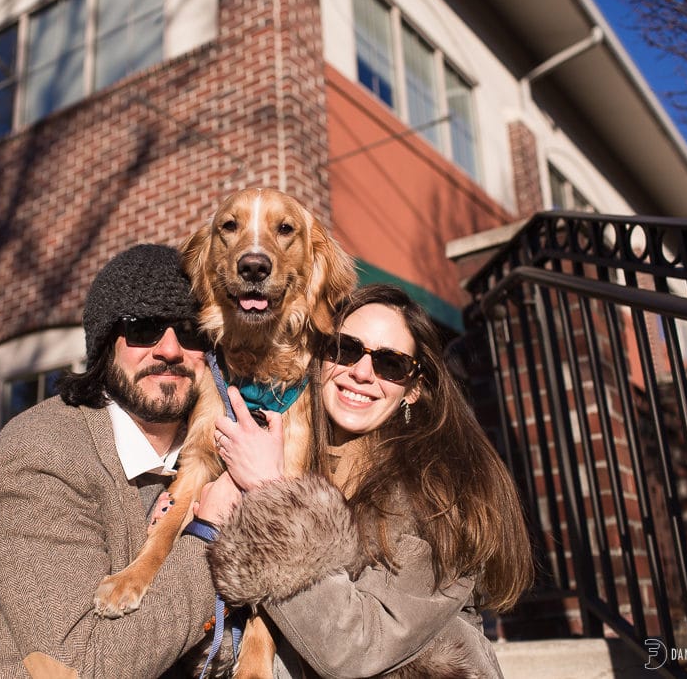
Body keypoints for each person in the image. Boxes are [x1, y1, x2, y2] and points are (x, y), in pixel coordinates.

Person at [0, 244, 235, 678]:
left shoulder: (219, 456)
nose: (170, 349)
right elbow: (84, 668)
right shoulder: (41, 455)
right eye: (143, 328)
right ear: (104, 346)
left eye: (190, 330)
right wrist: (210, 533)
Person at [201, 283, 534, 678]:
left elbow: (355, 646)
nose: (361, 373)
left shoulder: (442, 492)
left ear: (413, 389)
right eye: (346, 349)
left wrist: (270, 491)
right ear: (322, 357)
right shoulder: (287, 452)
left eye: (390, 364)